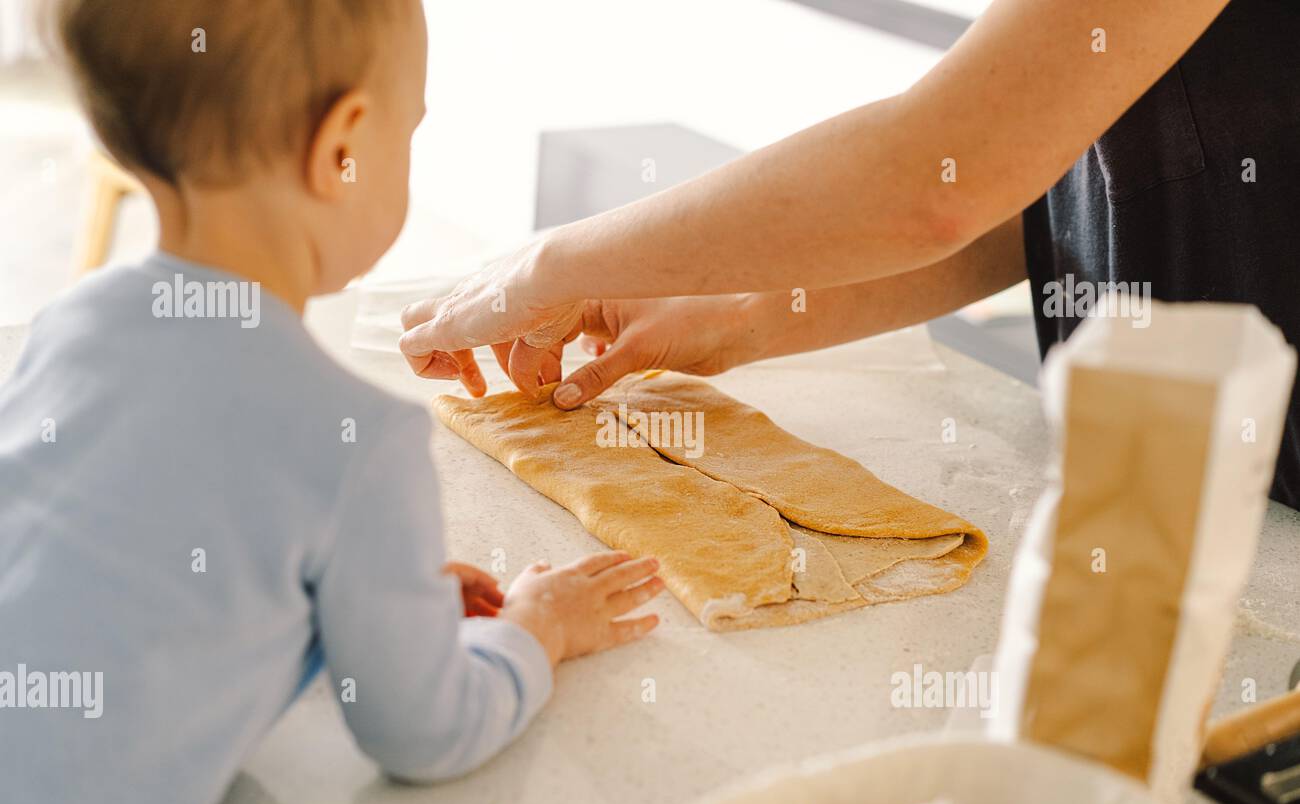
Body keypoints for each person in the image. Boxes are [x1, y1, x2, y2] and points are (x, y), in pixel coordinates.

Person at [0, 0, 661, 804]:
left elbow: (108, 584)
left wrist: (349, 604)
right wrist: (539, 628)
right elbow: (425, 734)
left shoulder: (66, 323)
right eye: (411, 128)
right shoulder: (360, 438)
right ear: (341, 146)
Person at [399, 0, 1300, 510]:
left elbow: (936, 181)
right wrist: (746, 313)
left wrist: (551, 268)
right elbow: (1031, 186)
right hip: (1164, 487)